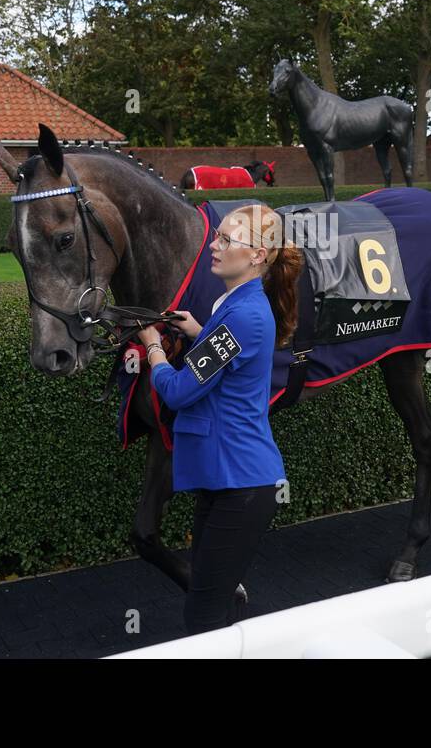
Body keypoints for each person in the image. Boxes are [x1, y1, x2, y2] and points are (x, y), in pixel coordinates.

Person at [137, 202, 303, 635]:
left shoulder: (243, 316)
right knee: (213, 607)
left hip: (240, 487)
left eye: (227, 240)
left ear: (256, 257)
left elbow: (178, 390)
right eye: (218, 236)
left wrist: (152, 347)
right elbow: (225, 351)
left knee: (203, 616)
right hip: (229, 484)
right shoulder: (234, 307)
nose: (214, 245)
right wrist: (198, 330)